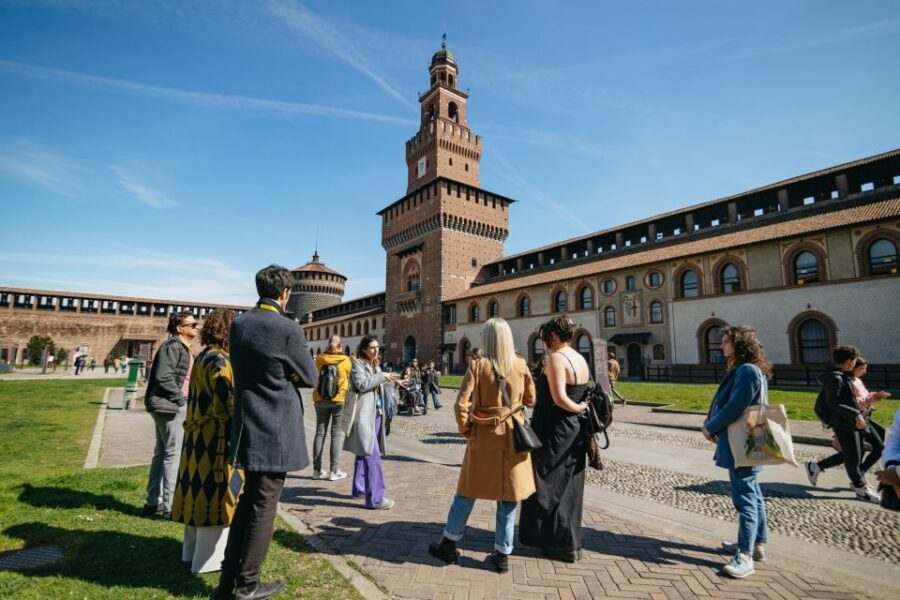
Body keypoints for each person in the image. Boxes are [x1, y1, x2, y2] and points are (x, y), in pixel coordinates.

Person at [218, 265, 317, 600]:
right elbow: (310, 376)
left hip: (247, 424)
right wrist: (286, 373)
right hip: (276, 428)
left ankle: (226, 581)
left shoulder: (239, 323)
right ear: (285, 293)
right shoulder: (288, 328)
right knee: (264, 506)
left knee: (247, 503)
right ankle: (247, 586)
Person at [428, 318, 536, 573]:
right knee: (509, 497)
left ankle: (449, 542)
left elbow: (461, 404)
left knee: (467, 491)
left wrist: (467, 429)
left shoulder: (477, 366)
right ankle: (502, 554)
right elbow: (531, 399)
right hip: (513, 435)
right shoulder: (520, 364)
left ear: (487, 339)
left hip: (484, 434)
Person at [172, 309, 242, 574]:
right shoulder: (220, 360)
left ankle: (190, 553)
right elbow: (226, 403)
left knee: (195, 498)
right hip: (214, 442)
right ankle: (208, 561)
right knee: (213, 498)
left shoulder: (203, 355)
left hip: (196, 438)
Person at [519, 315, 591, 563]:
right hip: (574, 429)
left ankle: (555, 541)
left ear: (553, 337)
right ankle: (568, 542)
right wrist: (580, 409)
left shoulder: (556, 360)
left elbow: (560, 398)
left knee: (546, 482)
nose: (543, 346)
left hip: (555, 428)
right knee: (569, 483)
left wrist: (578, 408)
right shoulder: (579, 358)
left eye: (544, 340)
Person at [701, 326, 771, 579]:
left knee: (745, 498)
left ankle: (745, 555)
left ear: (739, 344)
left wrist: (710, 427)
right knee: (753, 492)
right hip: (747, 440)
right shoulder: (749, 369)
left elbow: (735, 408)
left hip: (742, 442)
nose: (722, 345)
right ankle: (757, 543)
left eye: (726, 341)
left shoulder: (747, 371)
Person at [803, 346, 881, 503]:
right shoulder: (835, 378)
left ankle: (816, 467)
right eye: (853, 360)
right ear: (847, 361)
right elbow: (834, 403)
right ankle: (860, 489)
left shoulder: (841, 375)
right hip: (843, 422)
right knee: (853, 457)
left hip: (848, 421)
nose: (854, 364)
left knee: (854, 455)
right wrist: (856, 414)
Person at [143, 310, 197, 520]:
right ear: (179, 328)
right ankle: (170, 507)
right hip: (170, 406)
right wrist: (181, 399)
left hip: (166, 405)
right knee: (172, 455)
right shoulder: (173, 346)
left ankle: (152, 502)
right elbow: (163, 377)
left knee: (161, 453)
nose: (196, 327)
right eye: (192, 325)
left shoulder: (181, 347)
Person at [342, 334, 402, 510]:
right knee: (371, 455)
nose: (376, 351)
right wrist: (382, 376)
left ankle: (359, 489)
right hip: (363, 415)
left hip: (376, 414)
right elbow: (362, 384)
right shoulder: (357, 365)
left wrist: (395, 380)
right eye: (372, 348)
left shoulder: (374, 365)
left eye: (377, 347)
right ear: (363, 350)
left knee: (363, 452)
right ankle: (375, 498)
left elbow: (378, 386)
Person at [312, 335, 352, 482]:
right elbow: (349, 376)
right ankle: (334, 471)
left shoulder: (320, 359)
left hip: (320, 398)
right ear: (340, 347)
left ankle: (317, 470)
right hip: (339, 399)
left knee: (320, 432)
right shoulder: (346, 361)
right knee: (336, 434)